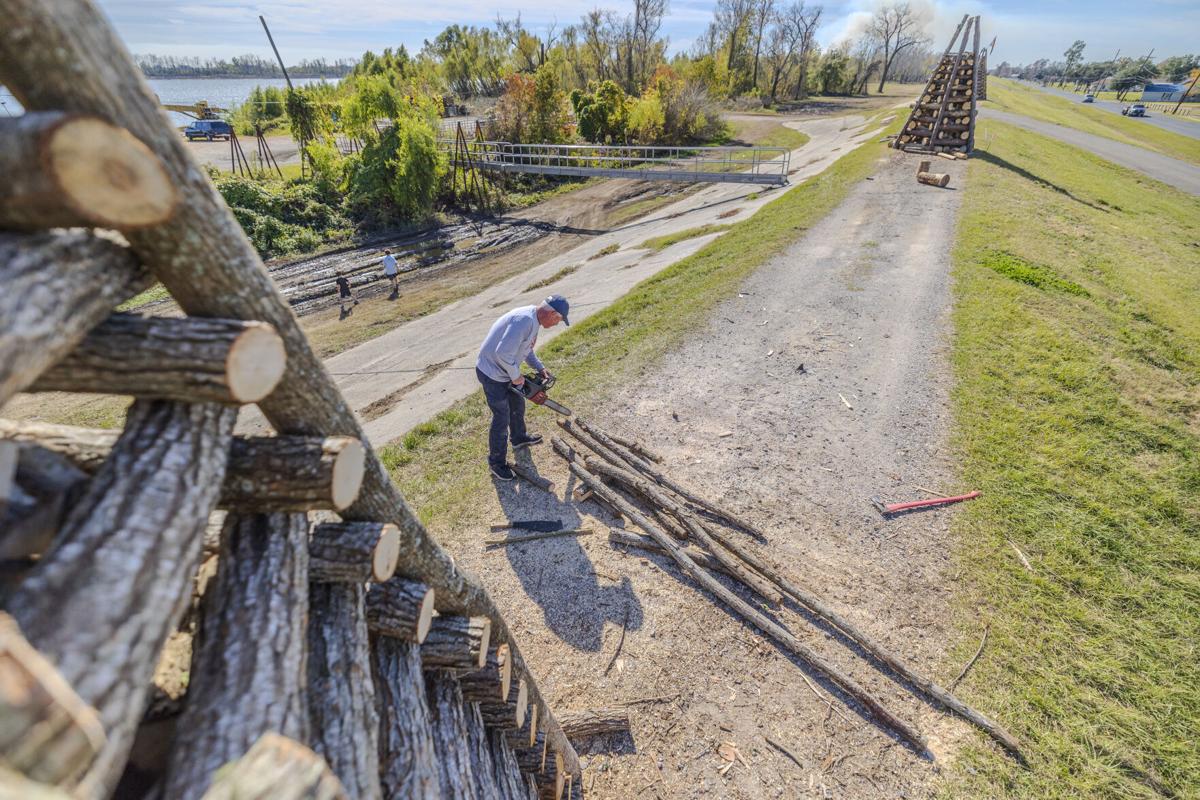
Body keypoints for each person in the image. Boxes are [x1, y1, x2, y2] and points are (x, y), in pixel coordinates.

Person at [476, 294, 570, 481]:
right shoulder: (524, 321)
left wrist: (540, 368)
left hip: (505, 371)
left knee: (517, 405)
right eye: (558, 320)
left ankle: (519, 438)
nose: (557, 324)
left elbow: (526, 349)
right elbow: (502, 353)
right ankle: (496, 463)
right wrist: (516, 377)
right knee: (501, 417)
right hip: (492, 373)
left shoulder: (534, 320)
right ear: (552, 314)